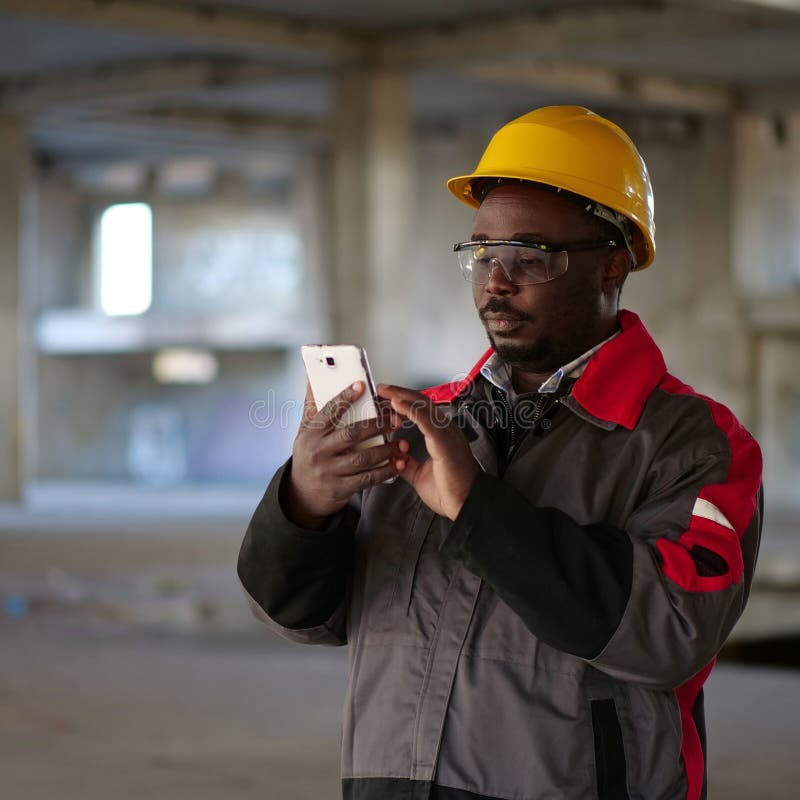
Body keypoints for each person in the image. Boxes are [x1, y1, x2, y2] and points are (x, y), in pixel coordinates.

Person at [237, 105, 763, 800]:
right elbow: (304, 618)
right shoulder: (426, 424)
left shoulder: (693, 442)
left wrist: (476, 508)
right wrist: (304, 506)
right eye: (482, 253)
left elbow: (671, 630)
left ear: (613, 264)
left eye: (531, 256)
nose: (496, 280)